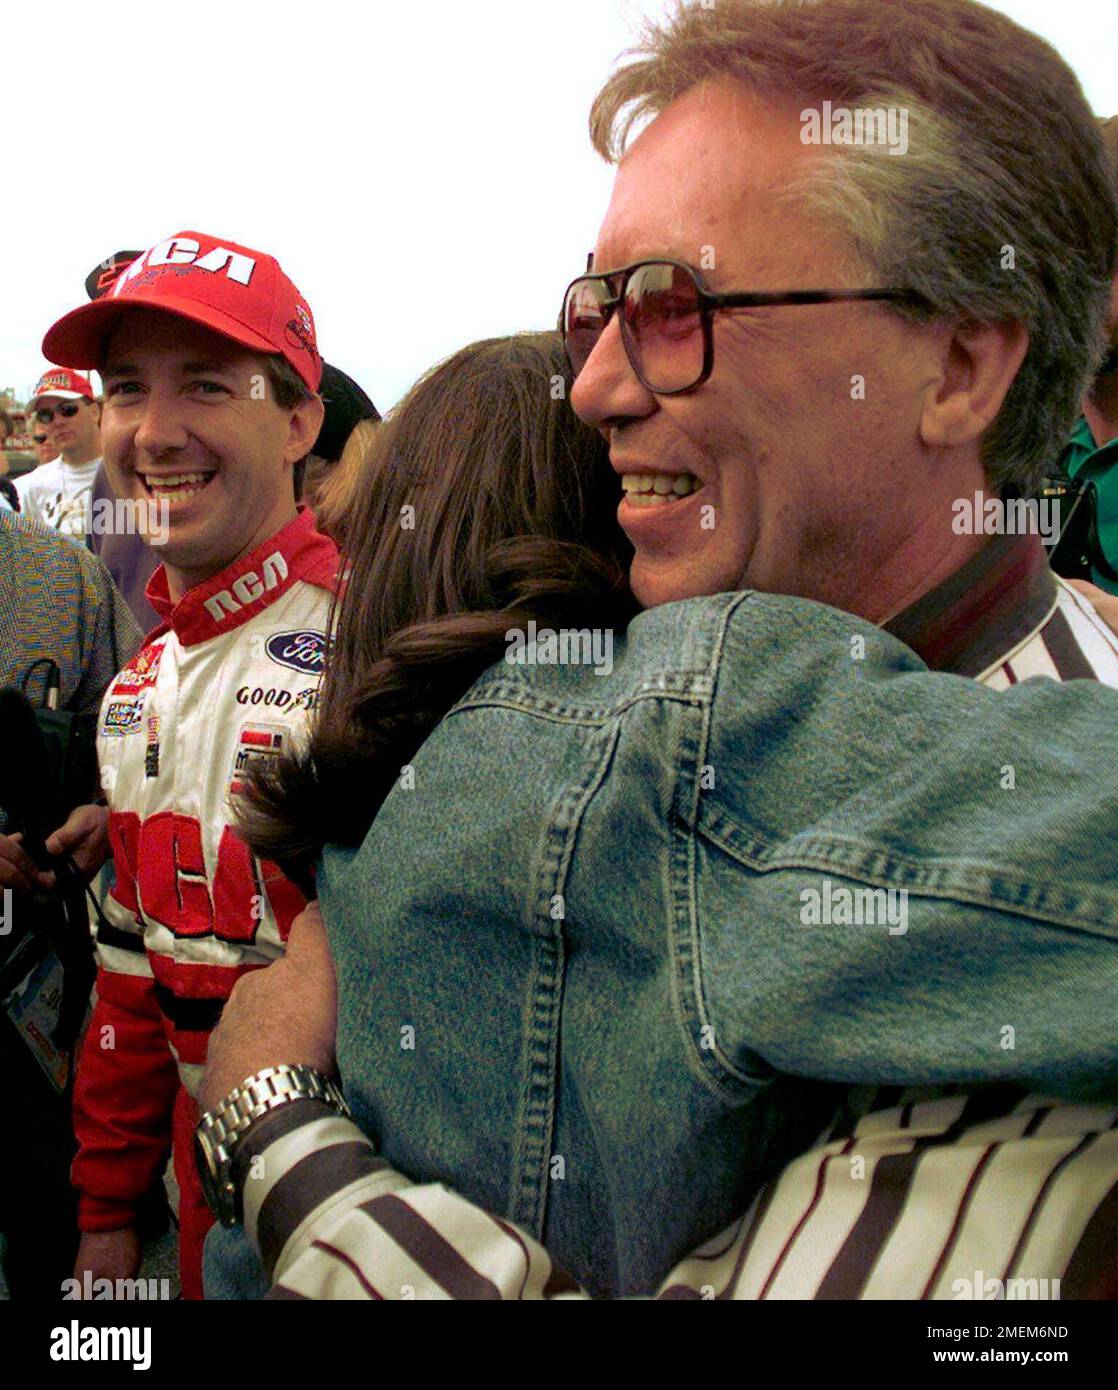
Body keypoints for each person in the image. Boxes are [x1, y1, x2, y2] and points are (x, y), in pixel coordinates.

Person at [200, 0, 1118, 1301]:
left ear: (959, 363)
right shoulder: (576, 728)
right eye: (594, 308)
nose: (590, 389)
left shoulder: (1035, 1058)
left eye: (674, 305)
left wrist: (284, 1141)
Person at [39, 227, 340, 1300]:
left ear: (299, 417)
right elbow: (128, 983)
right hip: (194, 1222)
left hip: (365, 1225)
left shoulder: (379, 649)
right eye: (125, 390)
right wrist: (108, 1214)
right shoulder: (136, 688)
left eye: (206, 386)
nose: (154, 433)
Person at [0, 511, 140, 1298]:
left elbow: (132, 732)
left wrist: (108, 809)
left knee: (52, 1239)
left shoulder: (63, 578)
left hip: (39, 1007)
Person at [14, 369, 102, 537]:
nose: (58, 421)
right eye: (45, 415)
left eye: (68, 409)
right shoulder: (31, 487)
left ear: (94, 412)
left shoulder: (130, 472)